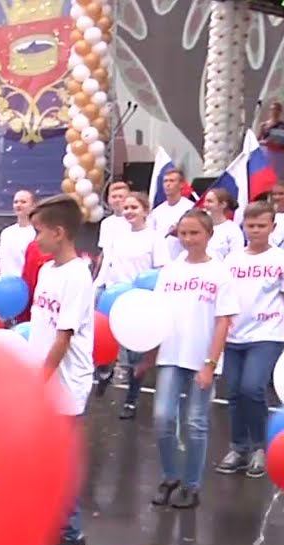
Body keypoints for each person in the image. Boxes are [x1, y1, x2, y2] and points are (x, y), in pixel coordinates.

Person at [144, 209, 239, 509]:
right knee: (162, 418)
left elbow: (224, 321)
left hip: (201, 358)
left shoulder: (220, 272)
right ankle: (171, 475)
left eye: (194, 233)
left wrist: (211, 364)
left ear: (209, 235)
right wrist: (148, 355)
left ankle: (192, 484)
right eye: (183, 233)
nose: (188, 239)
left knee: (195, 422)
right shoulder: (170, 271)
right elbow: (156, 314)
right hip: (170, 355)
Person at [26, 195, 94, 545]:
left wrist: (41, 379)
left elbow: (63, 337)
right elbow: (41, 328)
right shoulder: (46, 270)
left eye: (39, 232)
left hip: (65, 386)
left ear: (59, 231)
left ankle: (69, 532)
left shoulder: (78, 276)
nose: (35, 239)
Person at [215, 202, 284, 478]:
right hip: (234, 336)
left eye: (261, 226)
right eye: (250, 225)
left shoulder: (279, 260)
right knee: (233, 392)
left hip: (267, 334)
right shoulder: (232, 261)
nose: (255, 231)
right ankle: (238, 447)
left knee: (252, 388)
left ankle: (259, 447)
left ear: (272, 227)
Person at [106, 192, 171, 419]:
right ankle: (105, 373)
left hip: (139, 302)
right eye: (126, 208)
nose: (129, 212)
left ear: (146, 210)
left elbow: (162, 269)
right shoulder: (118, 237)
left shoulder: (155, 238)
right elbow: (110, 267)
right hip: (115, 297)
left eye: (134, 207)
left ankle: (131, 400)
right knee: (109, 345)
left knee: (135, 354)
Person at [149, 168, 195, 259]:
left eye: (172, 181)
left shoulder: (190, 208)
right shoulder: (157, 211)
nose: (168, 184)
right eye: (165, 181)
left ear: (181, 184)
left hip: (184, 258)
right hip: (161, 260)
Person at [0, 189, 36, 278]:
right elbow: (1, 262)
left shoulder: (36, 233)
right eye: (16, 202)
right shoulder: (6, 233)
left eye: (23, 202)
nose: (18, 205)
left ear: (33, 206)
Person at [95, 180, 132, 275]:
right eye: (114, 197)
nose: (117, 200)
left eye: (121, 197)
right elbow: (103, 252)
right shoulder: (106, 223)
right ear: (108, 199)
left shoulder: (134, 221)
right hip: (106, 275)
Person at [203, 187, 245, 259]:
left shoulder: (232, 229)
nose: (205, 205)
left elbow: (237, 256)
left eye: (210, 201)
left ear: (223, 204)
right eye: (205, 201)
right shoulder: (199, 226)